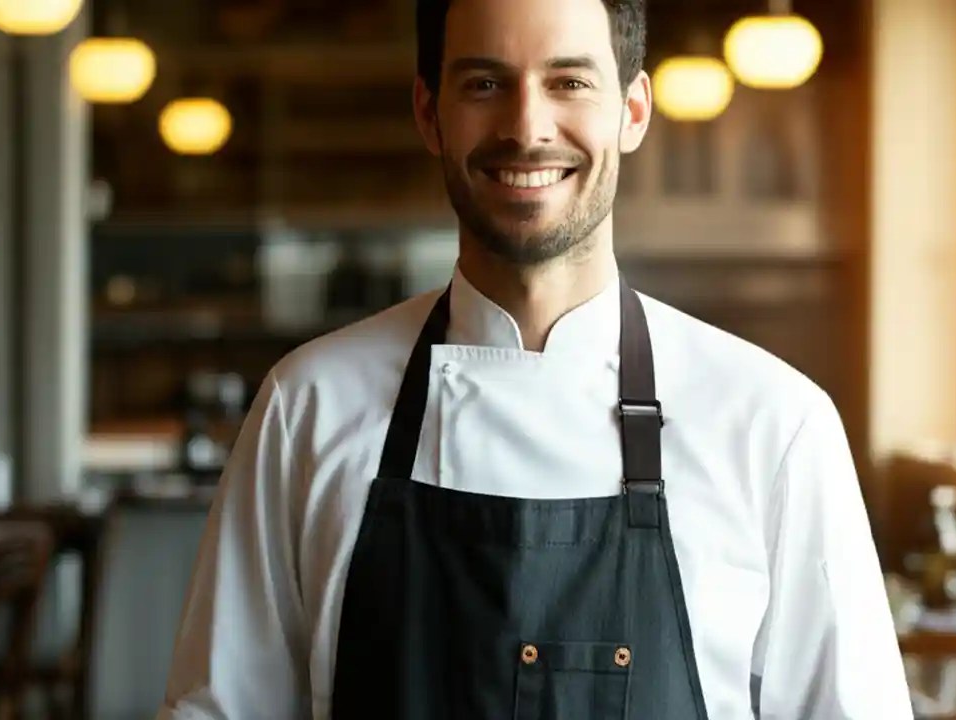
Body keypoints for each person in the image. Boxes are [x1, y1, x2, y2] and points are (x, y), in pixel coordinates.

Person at [158, 0, 913, 716]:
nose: (527, 125)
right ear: (430, 113)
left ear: (633, 111)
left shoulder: (773, 424)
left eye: (569, 82)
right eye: (485, 83)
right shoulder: (308, 406)